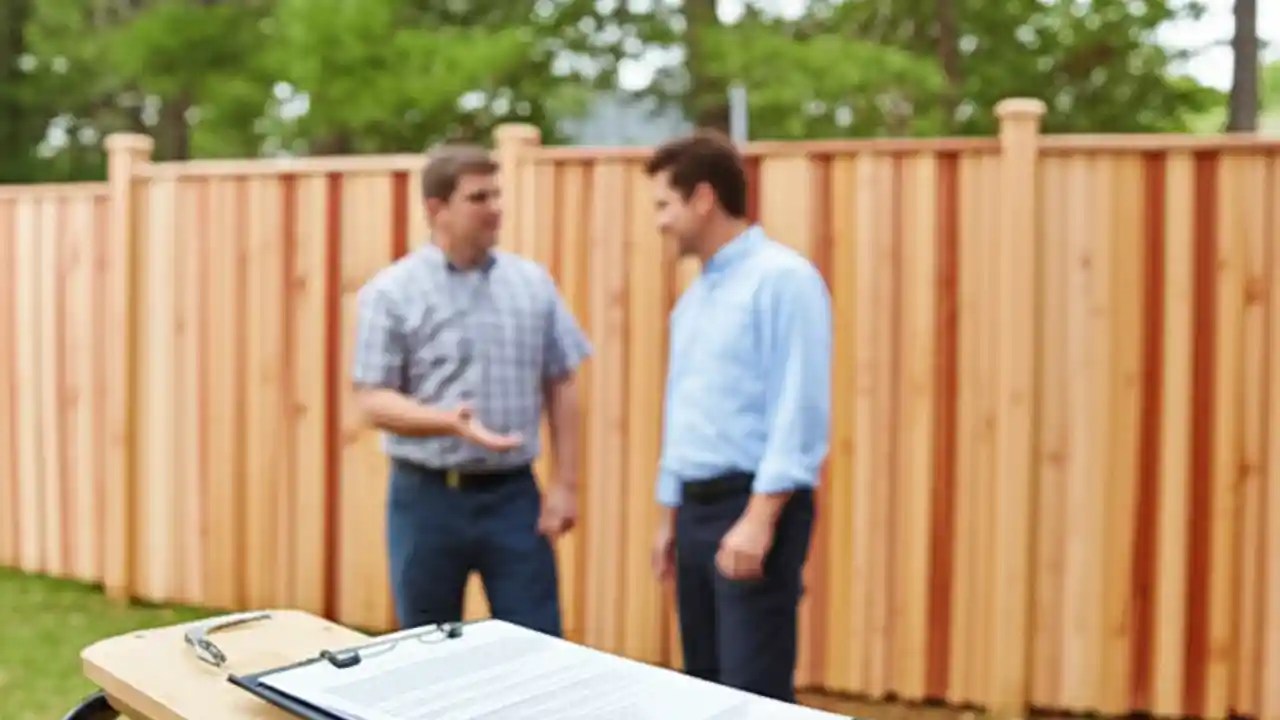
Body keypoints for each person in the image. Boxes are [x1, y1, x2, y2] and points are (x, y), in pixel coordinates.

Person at [350, 144, 590, 638]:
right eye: (479, 197)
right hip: (425, 499)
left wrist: (565, 484)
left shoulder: (532, 284)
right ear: (437, 209)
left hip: (513, 497)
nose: (495, 208)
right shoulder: (392, 293)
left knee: (537, 646)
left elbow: (562, 381)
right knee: (426, 648)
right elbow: (371, 400)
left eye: (497, 195)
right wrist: (446, 422)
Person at [644, 130, 832, 703]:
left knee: (752, 694)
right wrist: (669, 512)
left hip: (751, 508)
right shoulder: (695, 298)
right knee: (703, 687)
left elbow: (798, 406)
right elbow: (686, 408)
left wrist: (759, 519)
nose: (658, 222)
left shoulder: (783, 280)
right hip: (697, 512)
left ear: (703, 198)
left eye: (663, 205)